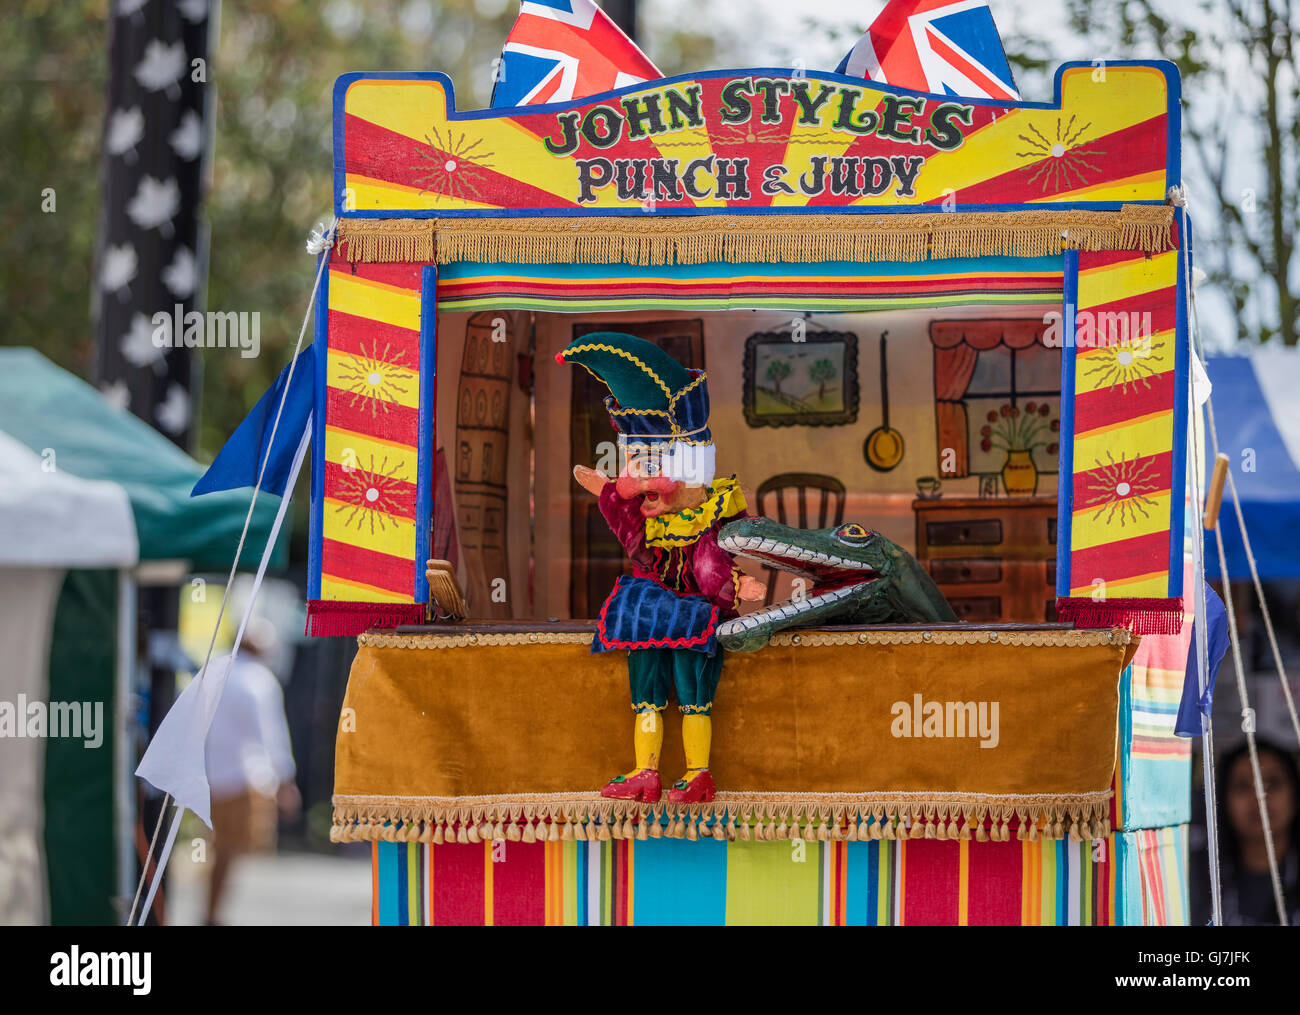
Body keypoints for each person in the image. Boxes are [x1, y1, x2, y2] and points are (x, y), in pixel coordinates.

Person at [558, 332, 765, 805]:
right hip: (649, 608)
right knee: (646, 689)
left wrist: (734, 586)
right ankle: (645, 771)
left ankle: (698, 774)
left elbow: (710, 566)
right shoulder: (647, 521)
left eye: (655, 468)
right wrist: (613, 492)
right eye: (638, 467)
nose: (644, 484)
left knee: (693, 692)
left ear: (692, 470)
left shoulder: (708, 517)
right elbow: (628, 529)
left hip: (694, 611)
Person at [202, 617, 299, 925]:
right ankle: (212, 913)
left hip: (211, 775)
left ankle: (212, 911)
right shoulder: (259, 680)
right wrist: (285, 781)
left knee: (222, 849)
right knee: (228, 850)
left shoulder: (214, 672)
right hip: (241, 778)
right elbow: (271, 735)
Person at [1191, 738, 1300, 925]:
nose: (1259, 797)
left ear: (1296, 795)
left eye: (1273, 783)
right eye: (1242, 786)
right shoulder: (1195, 873)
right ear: (1222, 801)